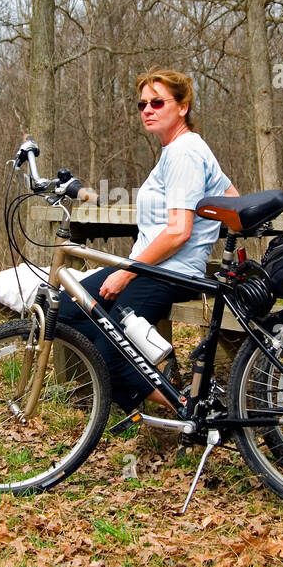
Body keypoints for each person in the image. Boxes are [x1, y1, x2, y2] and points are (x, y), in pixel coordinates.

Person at [58, 68, 240, 415]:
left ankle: (189, 408)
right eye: (142, 103)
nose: (147, 109)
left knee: (107, 355)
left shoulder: (185, 152)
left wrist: (126, 271)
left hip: (169, 273)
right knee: (68, 310)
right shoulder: (182, 150)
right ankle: (152, 366)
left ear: (182, 106)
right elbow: (232, 197)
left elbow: (178, 231)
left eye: (158, 102)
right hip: (151, 267)